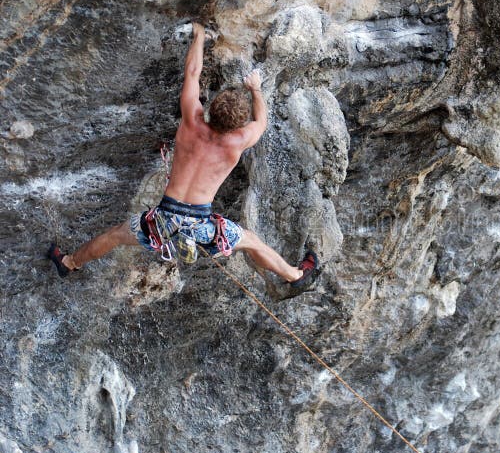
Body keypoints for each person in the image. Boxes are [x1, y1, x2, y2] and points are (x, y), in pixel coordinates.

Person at [48, 22, 319, 290]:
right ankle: (295, 276)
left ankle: (69, 262)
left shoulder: (192, 121)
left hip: (164, 220)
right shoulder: (237, 141)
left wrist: (199, 35)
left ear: (211, 108)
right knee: (251, 241)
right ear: (238, 126)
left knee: (116, 235)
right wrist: (255, 88)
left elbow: (192, 73)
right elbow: (261, 122)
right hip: (201, 227)